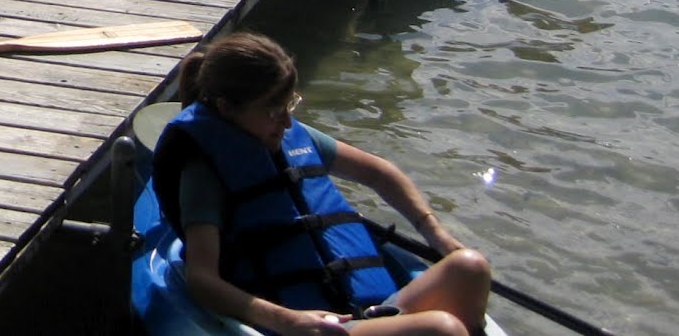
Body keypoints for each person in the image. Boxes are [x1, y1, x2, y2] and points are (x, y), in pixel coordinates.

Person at [151, 32, 493, 334]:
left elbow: (379, 172)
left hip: (364, 309)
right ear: (226, 108)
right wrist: (288, 320)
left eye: (289, 104)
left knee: (470, 266)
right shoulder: (203, 173)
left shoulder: (285, 134)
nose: (286, 121)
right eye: (272, 109)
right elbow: (202, 280)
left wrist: (440, 238)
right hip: (303, 324)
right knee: (440, 328)